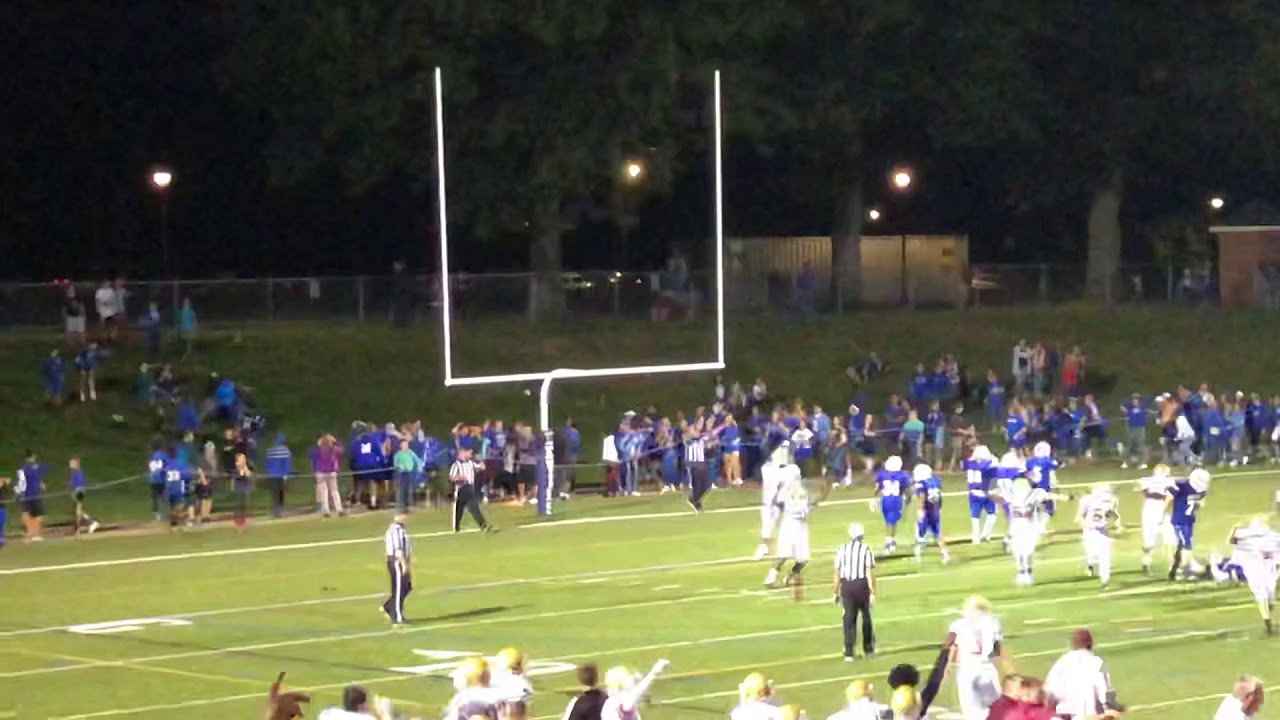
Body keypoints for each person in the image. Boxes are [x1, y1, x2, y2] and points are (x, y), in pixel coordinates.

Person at [943, 595, 1009, 720]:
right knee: (997, 711)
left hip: (967, 670)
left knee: (972, 714)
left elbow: (952, 648)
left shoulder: (956, 625)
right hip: (987, 671)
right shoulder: (993, 623)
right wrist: (1006, 670)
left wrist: (946, 668)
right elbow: (997, 650)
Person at [1043, 629, 1120, 720]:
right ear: (1091, 643)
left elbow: (1049, 688)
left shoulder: (1062, 661)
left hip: (1063, 713)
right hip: (1088, 714)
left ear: (1073, 644)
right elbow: (1105, 689)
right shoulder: (1096, 662)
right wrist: (1111, 708)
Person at [1227, 516, 1280, 635]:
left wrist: (1235, 528)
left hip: (1263, 571)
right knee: (1263, 596)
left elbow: (1232, 541)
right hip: (1257, 571)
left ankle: (1268, 618)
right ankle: (1269, 625)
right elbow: (1232, 540)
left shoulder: (1268, 537)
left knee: (1267, 596)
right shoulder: (1268, 537)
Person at [834, 522, 876, 661]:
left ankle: (849, 651)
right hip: (861, 585)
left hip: (847, 586)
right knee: (866, 617)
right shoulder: (866, 549)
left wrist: (835, 591)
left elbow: (837, 573)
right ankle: (868, 648)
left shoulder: (841, 549)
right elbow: (868, 572)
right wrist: (872, 592)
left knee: (848, 619)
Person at [764, 473, 811, 591]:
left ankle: (789, 576)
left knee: (803, 559)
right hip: (789, 523)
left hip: (801, 524)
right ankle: (771, 577)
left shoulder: (803, 492)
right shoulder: (787, 491)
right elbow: (777, 502)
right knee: (784, 554)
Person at [1166, 468, 1211, 580]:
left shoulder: (1181, 486)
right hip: (1187, 520)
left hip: (1180, 520)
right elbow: (1200, 504)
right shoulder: (1201, 492)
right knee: (1185, 546)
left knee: (1183, 546)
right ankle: (1183, 570)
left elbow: (1169, 496)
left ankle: (1178, 569)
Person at [1076, 483, 1121, 589]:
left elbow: (1112, 513)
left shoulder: (1111, 501)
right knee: (1093, 556)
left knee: (1105, 556)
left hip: (1103, 530)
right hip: (1090, 531)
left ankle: (1105, 580)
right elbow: (1079, 516)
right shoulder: (1086, 500)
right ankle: (1091, 565)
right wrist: (1086, 526)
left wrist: (1118, 525)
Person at [756, 442, 795, 560]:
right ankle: (764, 547)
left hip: (779, 502)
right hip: (770, 503)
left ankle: (789, 548)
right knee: (767, 526)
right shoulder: (768, 469)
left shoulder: (782, 468)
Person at [1134, 463, 1174, 575]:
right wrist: (1162, 511)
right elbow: (1170, 498)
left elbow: (1138, 488)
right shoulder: (1169, 482)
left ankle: (1146, 563)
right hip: (1158, 508)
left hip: (1148, 508)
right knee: (1169, 537)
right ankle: (1173, 565)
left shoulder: (1146, 480)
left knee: (1149, 539)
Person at [601, 659, 668, 720]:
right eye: (627, 677)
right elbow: (642, 686)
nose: (630, 678)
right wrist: (655, 670)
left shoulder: (611, 701)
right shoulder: (628, 699)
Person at [911, 463, 948, 564]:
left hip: (926, 510)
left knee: (919, 533)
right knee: (937, 532)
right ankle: (944, 553)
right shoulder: (935, 481)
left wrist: (920, 510)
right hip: (935, 510)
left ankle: (917, 555)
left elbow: (922, 496)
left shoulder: (922, 484)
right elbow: (939, 497)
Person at [873, 456, 909, 555]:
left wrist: (875, 497)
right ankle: (890, 540)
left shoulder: (882, 475)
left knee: (888, 521)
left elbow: (877, 489)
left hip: (885, 500)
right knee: (892, 521)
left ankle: (889, 541)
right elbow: (905, 489)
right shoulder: (902, 475)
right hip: (896, 499)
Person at [450, 447, 492, 532]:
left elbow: (482, 467)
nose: (470, 454)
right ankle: (456, 527)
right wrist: (459, 477)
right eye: (469, 452)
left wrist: (480, 460)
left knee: (473, 507)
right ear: (463, 452)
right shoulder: (456, 464)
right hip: (461, 489)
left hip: (470, 488)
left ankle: (483, 525)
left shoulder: (471, 463)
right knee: (459, 509)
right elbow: (451, 477)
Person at [382, 512, 412, 626]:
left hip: (400, 561)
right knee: (399, 589)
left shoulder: (401, 529)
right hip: (397, 561)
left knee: (406, 586)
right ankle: (397, 616)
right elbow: (398, 549)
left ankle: (389, 606)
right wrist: (404, 564)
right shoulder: (396, 530)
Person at [15, 450, 47, 542]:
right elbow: (39, 480)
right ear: (32, 457)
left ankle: (29, 533)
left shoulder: (21, 469)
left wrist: (18, 494)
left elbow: (19, 483)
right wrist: (42, 486)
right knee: (38, 515)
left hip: (25, 495)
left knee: (26, 513)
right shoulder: (35, 468)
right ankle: (35, 534)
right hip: (35, 495)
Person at [311, 433, 345, 518]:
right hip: (331, 472)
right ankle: (339, 509)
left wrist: (314, 471)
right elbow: (341, 451)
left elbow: (313, 458)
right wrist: (335, 441)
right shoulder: (334, 448)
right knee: (334, 491)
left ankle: (326, 510)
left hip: (321, 472)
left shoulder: (317, 450)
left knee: (324, 492)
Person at [67, 456, 97, 534]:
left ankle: (92, 522)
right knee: (77, 511)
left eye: (72, 463)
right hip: (77, 492)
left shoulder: (78, 471)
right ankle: (79, 527)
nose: (70, 464)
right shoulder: (74, 472)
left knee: (78, 510)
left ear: (76, 464)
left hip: (79, 492)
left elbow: (80, 484)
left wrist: (75, 492)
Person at [265, 434, 292, 518]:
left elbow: (267, 463)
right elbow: (286, 463)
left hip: (272, 475)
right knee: (281, 493)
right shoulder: (285, 450)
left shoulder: (270, 450)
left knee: (274, 493)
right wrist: (286, 474)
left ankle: (274, 510)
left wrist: (268, 472)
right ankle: (280, 510)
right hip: (281, 475)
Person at [392, 437, 422, 512]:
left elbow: (417, 460)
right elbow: (395, 464)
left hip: (409, 473)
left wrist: (419, 467)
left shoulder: (410, 452)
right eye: (404, 444)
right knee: (401, 490)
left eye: (407, 444)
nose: (406, 446)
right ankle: (402, 506)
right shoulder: (398, 454)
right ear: (400, 445)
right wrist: (399, 467)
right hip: (401, 474)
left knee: (408, 489)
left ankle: (406, 506)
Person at [233, 452, 253, 531]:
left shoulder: (247, 465)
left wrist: (245, 467)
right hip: (239, 488)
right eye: (242, 458)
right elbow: (240, 475)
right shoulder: (236, 466)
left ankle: (243, 524)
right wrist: (241, 467)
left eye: (244, 458)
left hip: (246, 487)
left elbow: (249, 475)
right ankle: (238, 524)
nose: (243, 459)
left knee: (244, 506)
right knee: (238, 507)